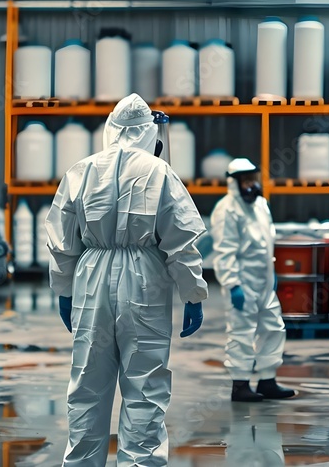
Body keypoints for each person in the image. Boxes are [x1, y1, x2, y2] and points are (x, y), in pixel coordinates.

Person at [45, 93, 209, 466]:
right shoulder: (159, 172)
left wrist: (64, 287)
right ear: (149, 132)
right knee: (145, 385)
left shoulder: (81, 170)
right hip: (145, 280)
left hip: (91, 276)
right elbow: (181, 240)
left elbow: (61, 240)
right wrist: (193, 292)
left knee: (88, 384)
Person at [211, 158, 296, 402]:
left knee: (273, 328)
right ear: (234, 183)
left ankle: (267, 380)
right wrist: (232, 284)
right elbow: (225, 251)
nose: (251, 185)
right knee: (242, 332)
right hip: (242, 283)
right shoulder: (226, 210)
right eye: (246, 181)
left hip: (264, 282)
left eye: (253, 179)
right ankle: (240, 384)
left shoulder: (260, 205)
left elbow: (267, 243)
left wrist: (272, 275)